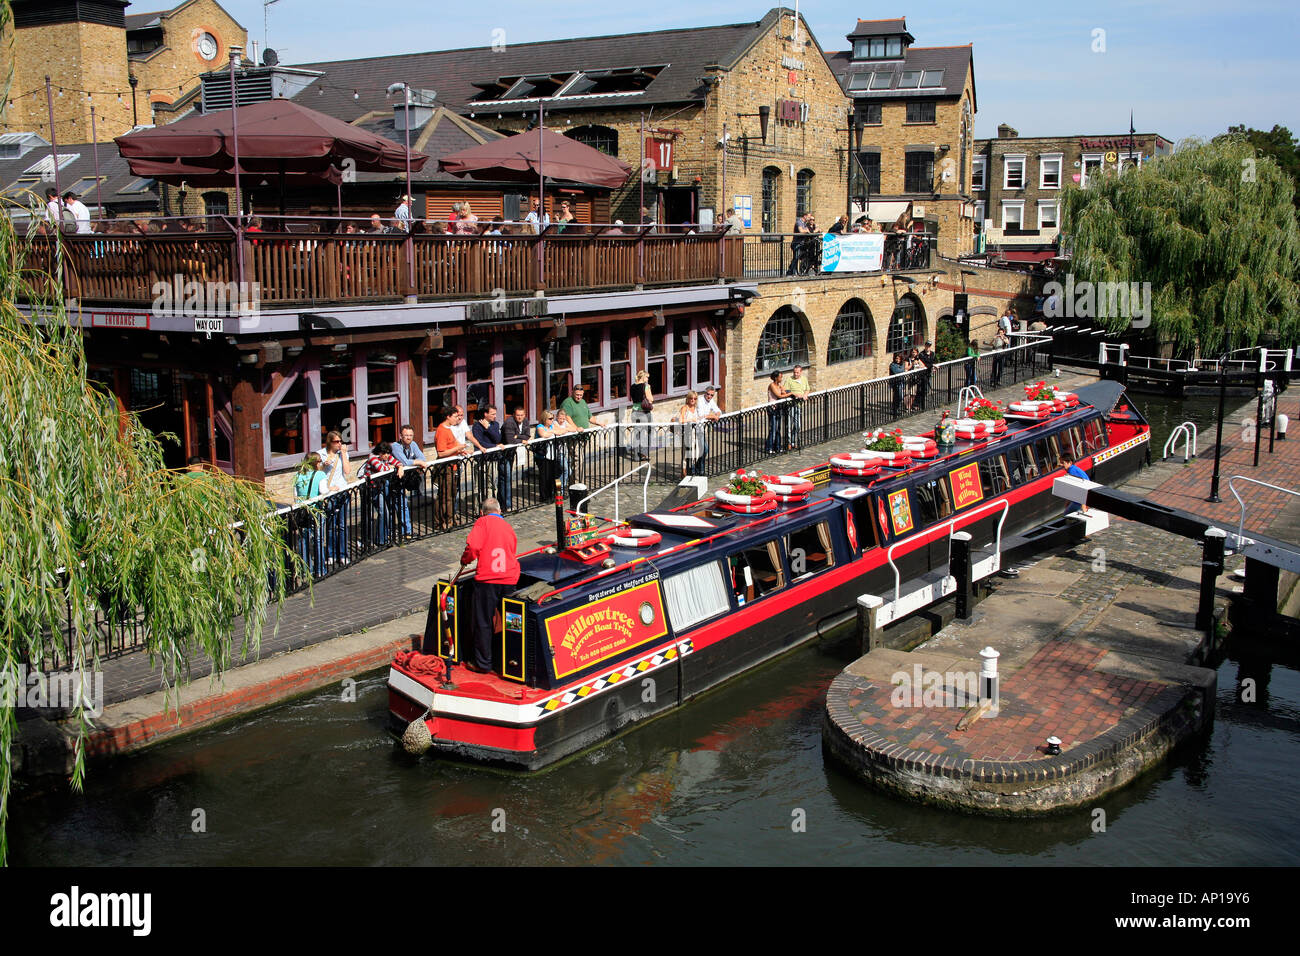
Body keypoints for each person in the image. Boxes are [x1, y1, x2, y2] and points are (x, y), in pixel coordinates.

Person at [459, 496, 520, 674]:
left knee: (483, 622)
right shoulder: (508, 527)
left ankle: (483, 663)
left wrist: (465, 560)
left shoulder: (482, 523)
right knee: (510, 622)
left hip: (488, 580)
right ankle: (511, 662)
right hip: (509, 578)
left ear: (481, 512)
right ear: (500, 511)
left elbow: (473, 547)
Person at [318, 430, 352, 564]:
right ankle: (331, 554)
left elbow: (347, 471)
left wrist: (343, 453)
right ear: (329, 442)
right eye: (336, 442)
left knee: (342, 525)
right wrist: (323, 465)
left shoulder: (343, 453)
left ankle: (343, 554)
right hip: (329, 493)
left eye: (340, 441)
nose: (339, 444)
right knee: (331, 525)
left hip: (342, 491)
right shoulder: (321, 454)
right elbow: (315, 472)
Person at [360, 441, 404, 546]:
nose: (387, 456)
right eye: (384, 453)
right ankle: (371, 540)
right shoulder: (372, 457)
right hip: (369, 489)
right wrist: (392, 468)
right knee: (374, 514)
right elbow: (382, 469)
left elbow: (398, 462)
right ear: (379, 452)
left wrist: (400, 467)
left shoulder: (386, 457)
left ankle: (382, 539)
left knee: (385, 513)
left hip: (378, 488)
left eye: (388, 453)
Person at [292, 453, 328, 576]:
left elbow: (295, 496)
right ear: (316, 463)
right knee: (318, 539)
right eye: (320, 461)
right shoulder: (320, 475)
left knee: (303, 540)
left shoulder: (297, 476)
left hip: (302, 512)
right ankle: (320, 570)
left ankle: (306, 570)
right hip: (316, 511)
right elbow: (323, 492)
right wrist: (332, 489)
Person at [435, 407, 471, 530]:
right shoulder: (442, 430)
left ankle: (450, 519)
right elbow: (441, 453)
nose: (458, 419)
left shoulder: (449, 429)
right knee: (446, 495)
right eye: (455, 416)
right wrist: (457, 449)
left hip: (453, 465)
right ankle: (444, 521)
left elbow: (454, 445)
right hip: (446, 468)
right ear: (448, 417)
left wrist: (461, 450)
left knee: (452, 494)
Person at [390, 424, 427, 538]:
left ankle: (407, 531)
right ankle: (395, 532)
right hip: (393, 480)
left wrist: (416, 461)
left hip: (405, 479)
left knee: (402, 505)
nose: (409, 438)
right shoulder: (395, 446)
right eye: (406, 435)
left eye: (411, 435)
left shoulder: (413, 444)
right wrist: (417, 462)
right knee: (395, 506)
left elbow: (422, 458)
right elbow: (404, 461)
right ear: (400, 436)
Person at [499, 406, 530, 510]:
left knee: (506, 477)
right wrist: (521, 440)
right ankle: (506, 505)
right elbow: (509, 440)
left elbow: (528, 436)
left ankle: (504, 503)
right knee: (506, 477)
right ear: (514, 415)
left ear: (524, 415)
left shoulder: (525, 421)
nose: (520, 417)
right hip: (504, 453)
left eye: (522, 415)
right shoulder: (509, 423)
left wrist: (517, 436)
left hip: (512, 453)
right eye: (518, 415)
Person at [472, 405, 503, 504]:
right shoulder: (477, 426)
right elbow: (479, 443)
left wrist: (488, 428)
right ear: (486, 414)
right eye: (492, 414)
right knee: (479, 486)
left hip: (492, 458)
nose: (495, 416)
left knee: (492, 485)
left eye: (495, 413)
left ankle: (491, 507)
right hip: (480, 459)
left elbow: (498, 438)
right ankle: (478, 509)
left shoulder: (495, 425)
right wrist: (495, 446)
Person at [675, 390, 705, 477]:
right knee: (686, 453)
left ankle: (691, 469)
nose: (693, 400)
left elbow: (699, 418)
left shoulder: (696, 408)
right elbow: (681, 420)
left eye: (695, 398)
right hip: (687, 433)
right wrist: (690, 420)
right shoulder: (685, 408)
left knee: (697, 452)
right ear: (688, 399)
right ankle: (684, 471)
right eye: (691, 398)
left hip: (695, 433)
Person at [533, 409, 560, 498]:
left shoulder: (552, 426)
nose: (552, 420)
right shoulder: (539, 426)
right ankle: (544, 497)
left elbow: (562, 431)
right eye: (550, 419)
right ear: (545, 419)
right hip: (542, 455)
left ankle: (551, 494)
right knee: (544, 477)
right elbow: (543, 434)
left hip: (552, 454)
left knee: (552, 475)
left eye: (553, 418)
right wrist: (553, 432)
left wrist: (552, 431)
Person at [629, 369, 653, 462]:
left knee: (637, 434)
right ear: (643, 377)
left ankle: (635, 456)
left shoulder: (632, 386)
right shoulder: (646, 386)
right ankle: (644, 453)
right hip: (644, 412)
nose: (647, 379)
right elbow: (650, 399)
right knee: (649, 432)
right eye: (647, 377)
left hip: (634, 412)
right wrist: (649, 389)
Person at [696, 385, 722, 472]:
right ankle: (699, 469)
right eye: (708, 394)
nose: (709, 396)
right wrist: (712, 416)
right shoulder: (699, 400)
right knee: (704, 449)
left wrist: (716, 415)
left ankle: (698, 468)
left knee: (703, 449)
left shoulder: (711, 401)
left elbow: (718, 410)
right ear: (705, 393)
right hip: (695, 428)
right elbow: (701, 416)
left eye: (712, 395)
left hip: (702, 429)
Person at [765, 371, 789, 453]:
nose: (781, 379)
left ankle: (777, 447)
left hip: (778, 408)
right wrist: (791, 393)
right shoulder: (772, 385)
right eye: (780, 377)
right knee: (773, 428)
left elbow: (784, 393)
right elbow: (779, 396)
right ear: (776, 378)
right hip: (772, 409)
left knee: (778, 428)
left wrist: (783, 390)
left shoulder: (779, 385)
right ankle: (769, 447)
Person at [785, 364, 808, 449]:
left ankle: (794, 441)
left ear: (801, 372)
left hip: (799, 405)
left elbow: (807, 388)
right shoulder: (789, 380)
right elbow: (786, 390)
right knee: (789, 424)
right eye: (794, 372)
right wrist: (795, 394)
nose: (796, 374)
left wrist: (805, 394)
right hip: (791, 405)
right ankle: (789, 442)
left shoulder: (804, 379)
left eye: (797, 372)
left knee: (798, 425)